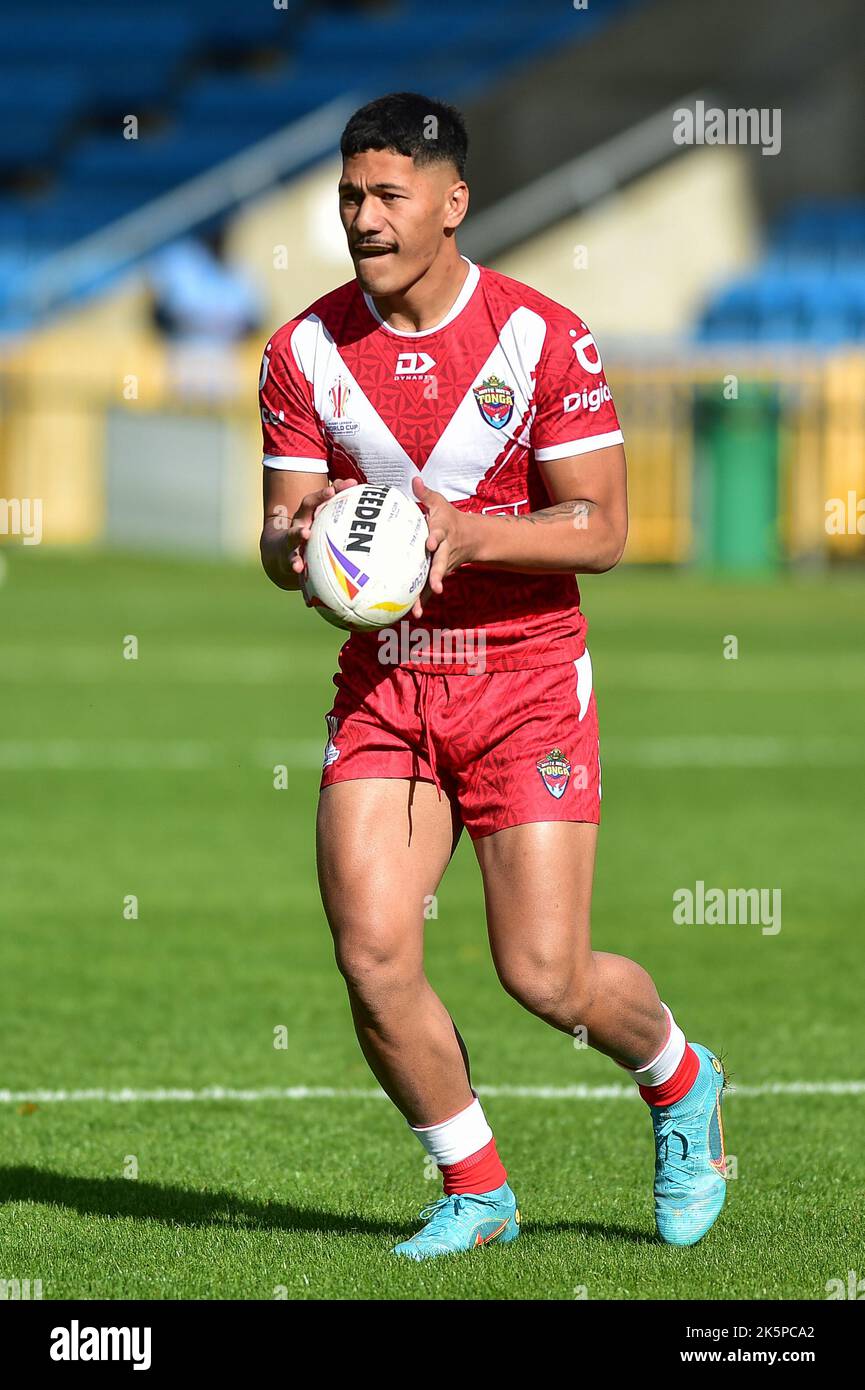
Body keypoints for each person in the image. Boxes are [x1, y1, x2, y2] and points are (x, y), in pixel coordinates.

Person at [259, 91, 728, 1259]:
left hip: (522, 681)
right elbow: (273, 541)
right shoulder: (301, 351)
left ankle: (678, 1080)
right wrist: (303, 540)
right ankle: (475, 1189)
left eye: (387, 195)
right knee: (371, 952)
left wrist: (464, 532)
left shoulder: (540, 338)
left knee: (545, 974)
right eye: (350, 196)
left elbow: (603, 528)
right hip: (387, 683)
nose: (364, 216)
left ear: (450, 203)